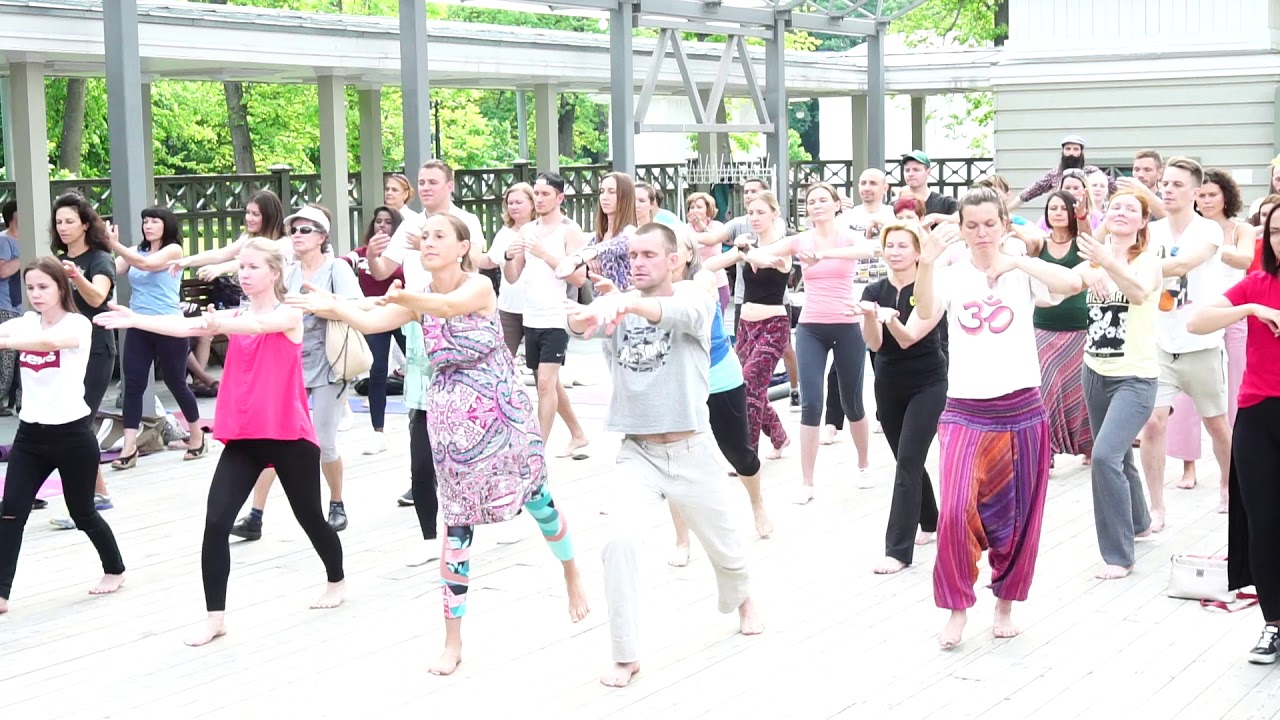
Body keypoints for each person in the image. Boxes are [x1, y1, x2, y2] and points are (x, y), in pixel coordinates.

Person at [288, 213, 589, 675]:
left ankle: (571, 572)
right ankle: (453, 640)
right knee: (457, 524)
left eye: (439, 237)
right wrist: (331, 304)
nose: (428, 243)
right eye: (424, 236)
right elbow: (370, 320)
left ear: (463, 247)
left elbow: (446, 307)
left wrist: (401, 296)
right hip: (450, 419)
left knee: (541, 502)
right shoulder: (417, 297)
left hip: (502, 414)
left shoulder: (478, 288)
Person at [95, 237, 345, 647]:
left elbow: (259, 326)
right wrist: (136, 320)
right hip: (245, 439)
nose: (243, 275)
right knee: (215, 524)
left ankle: (335, 580)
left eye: (252, 268)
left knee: (310, 518)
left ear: (274, 273)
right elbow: (185, 325)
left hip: (288, 435)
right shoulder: (236, 313)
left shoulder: (289, 313)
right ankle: (215, 618)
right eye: (240, 268)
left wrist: (218, 324)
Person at [566, 222, 763, 689]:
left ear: (674, 259)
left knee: (727, 548)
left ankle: (744, 598)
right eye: (633, 255)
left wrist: (627, 301)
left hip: (692, 450)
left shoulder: (696, 296)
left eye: (649, 255)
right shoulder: (617, 304)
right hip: (638, 453)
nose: (638, 262)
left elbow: (670, 310)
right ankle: (625, 654)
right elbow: (577, 323)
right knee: (618, 542)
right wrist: (592, 312)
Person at [914, 187, 1084, 648]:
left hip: (1022, 409)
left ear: (1005, 223)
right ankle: (956, 607)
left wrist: (1018, 261)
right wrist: (927, 261)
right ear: (962, 229)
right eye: (972, 225)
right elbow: (926, 312)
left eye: (990, 223)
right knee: (953, 511)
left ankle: (1005, 603)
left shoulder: (1021, 271)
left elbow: (1070, 285)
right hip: (965, 410)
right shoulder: (951, 272)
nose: (981, 233)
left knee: (1017, 514)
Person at [0, 257, 127, 615]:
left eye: (44, 287)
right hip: (30, 437)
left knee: (83, 511)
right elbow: (17, 334)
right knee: (11, 513)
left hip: (72, 436)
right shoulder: (25, 321)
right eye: (30, 288)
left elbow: (48, 342)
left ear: (61, 287)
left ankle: (115, 569)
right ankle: (2, 594)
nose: (36, 294)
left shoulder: (79, 324)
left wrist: (9, 344)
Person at [230, 205, 362, 539]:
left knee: (323, 442)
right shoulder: (286, 272)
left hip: (331, 363)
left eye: (306, 230)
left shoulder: (337, 269)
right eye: (295, 230)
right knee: (271, 439)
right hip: (290, 365)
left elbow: (358, 307)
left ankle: (337, 503)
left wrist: (324, 304)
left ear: (322, 236)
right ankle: (255, 516)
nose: (298, 236)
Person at [1187, 203, 1280, 664]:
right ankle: (1273, 622)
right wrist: (1248, 306)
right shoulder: (1258, 284)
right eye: (1277, 232)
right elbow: (1195, 320)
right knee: (1264, 522)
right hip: (1259, 415)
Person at [746, 183, 879, 502]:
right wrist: (762, 257)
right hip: (810, 327)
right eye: (811, 201)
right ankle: (807, 482)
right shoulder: (798, 241)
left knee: (852, 401)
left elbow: (871, 250)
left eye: (823, 200)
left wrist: (823, 255)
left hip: (847, 324)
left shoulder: (846, 236)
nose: (817, 205)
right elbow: (759, 252)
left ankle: (863, 465)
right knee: (811, 402)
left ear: (836, 204)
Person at [1139, 157, 1233, 526]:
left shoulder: (1208, 230)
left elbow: (1181, 266)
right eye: (1166, 183)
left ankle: (1228, 484)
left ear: (1195, 192)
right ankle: (1156, 505)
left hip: (1202, 343)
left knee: (1216, 424)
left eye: (1178, 185)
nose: (1168, 189)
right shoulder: (1152, 232)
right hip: (1160, 343)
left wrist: (1136, 268)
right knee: (1153, 424)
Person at [1074, 189, 1162, 579]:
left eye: (1132, 209)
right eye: (1115, 208)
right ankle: (1140, 522)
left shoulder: (1148, 262)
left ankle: (1118, 555)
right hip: (1094, 371)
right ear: (1105, 218)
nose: (1122, 212)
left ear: (1143, 221)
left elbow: (1139, 294)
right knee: (1119, 454)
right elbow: (1061, 285)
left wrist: (1107, 262)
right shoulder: (1092, 263)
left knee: (1106, 457)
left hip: (1136, 377)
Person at [855, 222, 947, 575]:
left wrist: (890, 319)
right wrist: (869, 316)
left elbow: (909, 337)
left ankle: (898, 550)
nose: (895, 251)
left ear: (918, 252)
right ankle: (931, 519)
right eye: (889, 245)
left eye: (902, 246)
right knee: (905, 459)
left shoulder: (931, 288)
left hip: (928, 382)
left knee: (908, 460)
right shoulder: (875, 288)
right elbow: (875, 344)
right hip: (888, 380)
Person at [1166, 169, 1254, 490]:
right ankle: (1189, 466)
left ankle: (1229, 473)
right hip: (1194, 314)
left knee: (1233, 393)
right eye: (1201, 195)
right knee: (1186, 394)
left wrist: (1213, 245)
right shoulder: (1186, 228)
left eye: (1211, 194)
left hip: (1233, 314)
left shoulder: (1239, 228)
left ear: (1226, 197)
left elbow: (1245, 260)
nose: (1205, 200)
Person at [107, 207, 207, 470]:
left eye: (154, 221)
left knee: (176, 382)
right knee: (134, 385)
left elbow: (149, 265)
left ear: (167, 225)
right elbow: (111, 271)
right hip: (139, 325)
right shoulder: (134, 251)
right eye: (145, 221)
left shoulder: (173, 251)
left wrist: (116, 245)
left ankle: (197, 435)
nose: (148, 226)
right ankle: (129, 447)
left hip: (169, 326)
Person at [502, 173, 591, 458]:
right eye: (536, 194)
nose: (539, 199)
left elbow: (578, 278)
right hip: (531, 315)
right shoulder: (527, 230)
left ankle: (535, 449)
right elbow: (513, 276)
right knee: (546, 380)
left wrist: (545, 254)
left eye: (545, 194)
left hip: (557, 315)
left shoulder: (570, 231)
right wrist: (507, 257)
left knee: (544, 383)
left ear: (559, 198)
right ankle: (577, 433)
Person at [171, 189, 287, 394]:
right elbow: (222, 253)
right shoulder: (248, 237)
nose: (249, 218)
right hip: (250, 305)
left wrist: (220, 269)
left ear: (269, 216)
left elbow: (245, 262)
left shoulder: (282, 244)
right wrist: (188, 261)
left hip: (278, 307)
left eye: (255, 214)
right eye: (248, 212)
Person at [52, 193, 117, 515]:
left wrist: (76, 276)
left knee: (79, 423)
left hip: (97, 351)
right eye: (59, 222)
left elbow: (98, 298)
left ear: (85, 224)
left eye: (69, 222)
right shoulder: (57, 258)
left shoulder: (99, 259)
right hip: (66, 348)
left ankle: (87, 500)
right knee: (77, 424)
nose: (62, 228)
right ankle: (99, 494)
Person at [1027, 190, 1094, 465]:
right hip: (1044, 325)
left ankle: (1088, 446)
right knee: (1046, 390)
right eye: (1052, 208)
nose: (1056, 213)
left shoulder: (1081, 243)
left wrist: (1083, 216)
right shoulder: (1037, 245)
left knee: (1080, 391)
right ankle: (1048, 449)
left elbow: (1091, 241)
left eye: (1062, 209)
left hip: (1079, 327)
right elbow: (1018, 236)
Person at [729, 192, 792, 459]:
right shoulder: (747, 245)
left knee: (749, 385)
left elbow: (766, 258)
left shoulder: (784, 245)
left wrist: (747, 250)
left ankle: (747, 453)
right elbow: (714, 263)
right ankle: (778, 434)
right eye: (750, 213)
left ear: (774, 214)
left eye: (760, 213)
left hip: (773, 326)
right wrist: (740, 248)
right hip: (745, 325)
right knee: (746, 386)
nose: (754, 218)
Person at [341, 205, 406, 455]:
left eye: (388, 222)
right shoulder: (361, 253)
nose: (381, 225)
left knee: (417, 367)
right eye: (378, 221)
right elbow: (342, 262)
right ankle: (377, 432)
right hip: (375, 317)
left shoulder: (402, 254)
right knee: (377, 371)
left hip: (403, 315)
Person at [368, 159, 486, 288]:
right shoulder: (409, 225)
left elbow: (473, 263)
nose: (425, 188)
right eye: (421, 183)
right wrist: (372, 257)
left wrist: (424, 245)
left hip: (455, 302)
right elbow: (382, 272)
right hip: (416, 303)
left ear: (450, 186)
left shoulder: (467, 220)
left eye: (433, 183)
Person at [1009, 135, 1115, 211]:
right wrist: (1005, 212)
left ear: (1081, 152)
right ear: (1063, 151)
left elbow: (1115, 188)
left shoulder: (1092, 172)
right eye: (1068, 149)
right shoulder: (1054, 174)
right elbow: (1029, 193)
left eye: (1075, 149)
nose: (1071, 153)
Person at [685, 191, 730, 311]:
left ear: (708, 209)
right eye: (692, 207)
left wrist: (700, 225)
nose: (694, 210)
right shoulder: (685, 229)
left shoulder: (718, 226)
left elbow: (715, 239)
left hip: (718, 282)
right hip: (693, 282)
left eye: (699, 207)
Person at [0, 201, 23, 416]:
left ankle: (20, 402)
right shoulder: (4, 240)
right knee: (6, 359)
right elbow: (3, 271)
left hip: (26, 306)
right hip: (6, 305)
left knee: (25, 358)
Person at [898, 151, 960, 222]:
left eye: (916, 170)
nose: (910, 174)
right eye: (907, 170)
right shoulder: (895, 205)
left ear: (928, 172)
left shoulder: (946, 203)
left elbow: (961, 219)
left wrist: (934, 217)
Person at [1117, 149, 1169, 220]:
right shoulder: (1124, 200)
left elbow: (1167, 215)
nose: (1140, 175)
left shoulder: (1167, 198)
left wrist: (1141, 189)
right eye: (1136, 170)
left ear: (1159, 173)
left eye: (1147, 170)